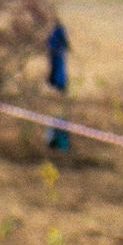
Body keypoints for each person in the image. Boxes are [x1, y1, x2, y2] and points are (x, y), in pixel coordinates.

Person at [45, 20, 72, 150]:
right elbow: (65, 42)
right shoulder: (59, 31)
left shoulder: (54, 33)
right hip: (57, 59)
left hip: (54, 57)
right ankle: (59, 88)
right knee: (58, 71)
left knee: (56, 70)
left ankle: (57, 87)